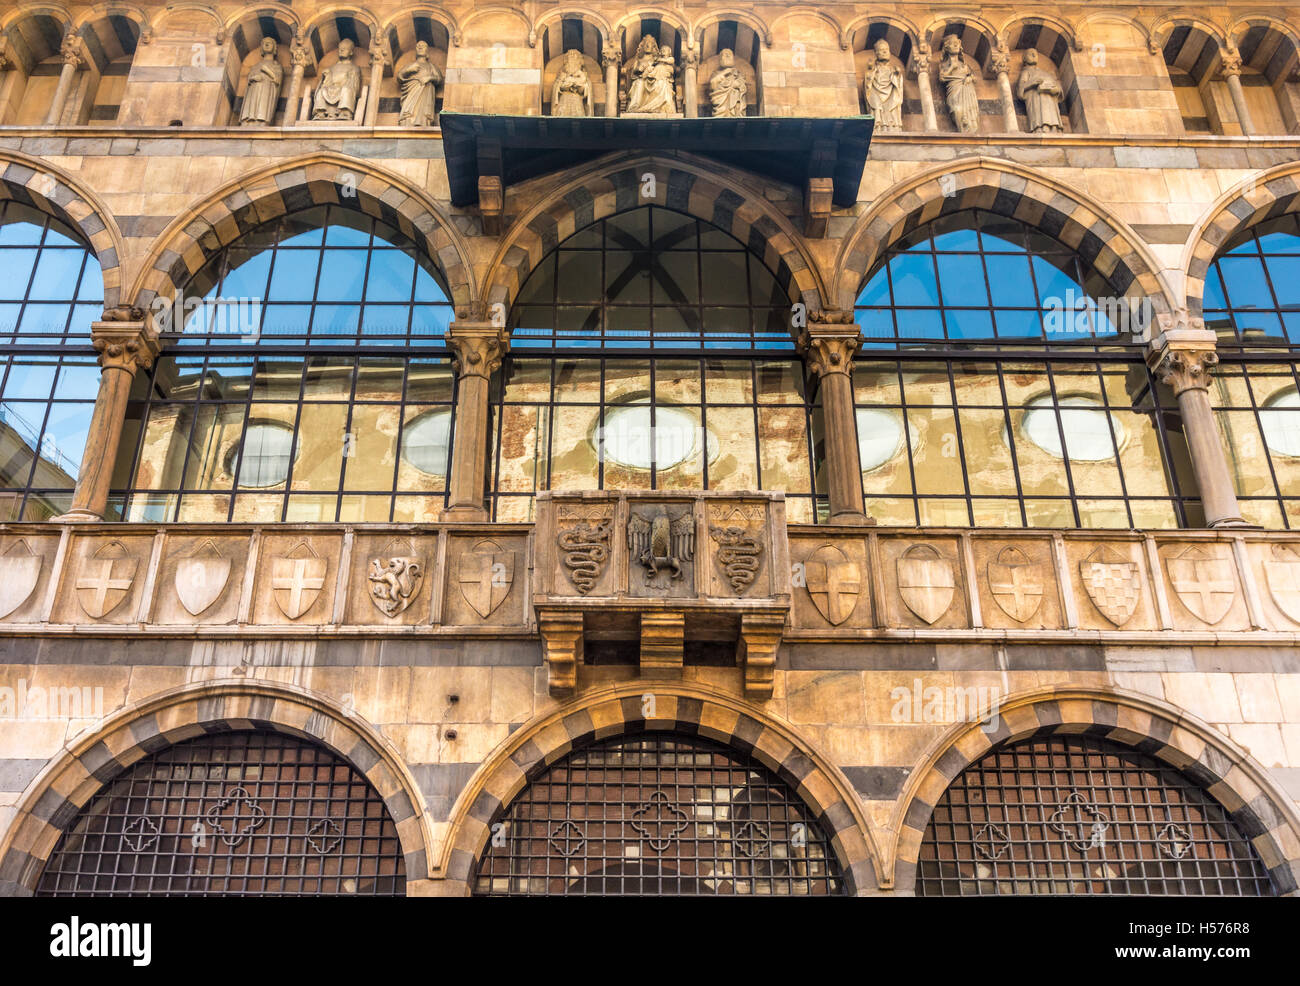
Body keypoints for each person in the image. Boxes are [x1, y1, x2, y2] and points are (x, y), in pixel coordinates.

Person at [312, 38, 363, 121]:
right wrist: (327, 76)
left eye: (344, 49)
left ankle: (344, 112)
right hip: (331, 87)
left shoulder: (354, 68)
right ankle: (320, 113)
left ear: (351, 52)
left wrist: (351, 77)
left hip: (343, 88)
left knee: (347, 90)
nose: (341, 50)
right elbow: (326, 82)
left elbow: (354, 86)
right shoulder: (332, 68)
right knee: (321, 90)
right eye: (340, 49)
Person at [938, 34, 979, 133]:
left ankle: (970, 132)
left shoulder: (964, 65)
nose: (956, 46)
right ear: (947, 48)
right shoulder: (944, 64)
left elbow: (975, 77)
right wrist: (952, 67)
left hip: (967, 90)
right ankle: (962, 131)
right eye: (953, 44)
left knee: (970, 110)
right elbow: (942, 77)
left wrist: (970, 78)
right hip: (954, 90)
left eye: (957, 44)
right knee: (957, 109)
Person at [1017, 49, 1064, 133]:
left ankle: (1054, 129)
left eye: (1035, 54)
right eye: (1030, 54)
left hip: (1050, 101)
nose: (1034, 56)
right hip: (1036, 100)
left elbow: (1058, 87)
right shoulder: (1026, 72)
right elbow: (1020, 89)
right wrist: (1031, 83)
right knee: (1040, 119)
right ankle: (1040, 129)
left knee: (1052, 119)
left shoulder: (1045, 73)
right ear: (1024, 59)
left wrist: (1055, 90)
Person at [398, 40, 442, 126]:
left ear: (427, 51)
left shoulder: (431, 66)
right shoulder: (411, 65)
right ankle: (407, 121)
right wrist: (409, 70)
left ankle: (423, 122)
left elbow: (439, 78)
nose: (420, 47)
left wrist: (429, 78)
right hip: (412, 89)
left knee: (423, 113)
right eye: (418, 46)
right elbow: (399, 76)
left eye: (423, 46)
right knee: (408, 112)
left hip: (425, 90)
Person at [240, 38, 283, 125]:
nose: (266, 45)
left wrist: (267, 71)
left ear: (274, 47)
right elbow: (249, 80)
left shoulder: (276, 65)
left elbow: (277, 80)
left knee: (263, 109)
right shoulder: (256, 66)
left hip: (267, 90)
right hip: (254, 90)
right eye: (264, 43)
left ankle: (262, 121)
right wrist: (253, 78)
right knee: (252, 104)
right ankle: (248, 119)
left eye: (269, 43)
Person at [863, 39, 903, 130]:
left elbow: (898, 86)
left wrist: (897, 75)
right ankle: (878, 124)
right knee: (876, 104)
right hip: (876, 92)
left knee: (892, 103)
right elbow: (867, 85)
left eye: (887, 49)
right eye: (881, 50)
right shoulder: (874, 69)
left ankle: (892, 125)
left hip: (890, 94)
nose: (885, 52)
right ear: (876, 53)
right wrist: (870, 71)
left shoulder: (893, 69)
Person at [551, 49, 593, 116]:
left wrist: (579, 86)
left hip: (577, 101)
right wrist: (563, 86)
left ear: (579, 62)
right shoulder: (562, 75)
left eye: (574, 60)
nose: (572, 62)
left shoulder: (583, 76)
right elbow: (556, 87)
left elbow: (587, 91)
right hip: (564, 101)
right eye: (570, 60)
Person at [709, 48, 748, 117]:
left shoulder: (738, 74)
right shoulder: (715, 74)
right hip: (721, 104)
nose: (728, 55)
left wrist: (738, 85)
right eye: (725, 54)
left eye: (730, 54)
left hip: (735, 105)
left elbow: (742, 87)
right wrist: (725, 73)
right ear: (720, 59)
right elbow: (713, 85)